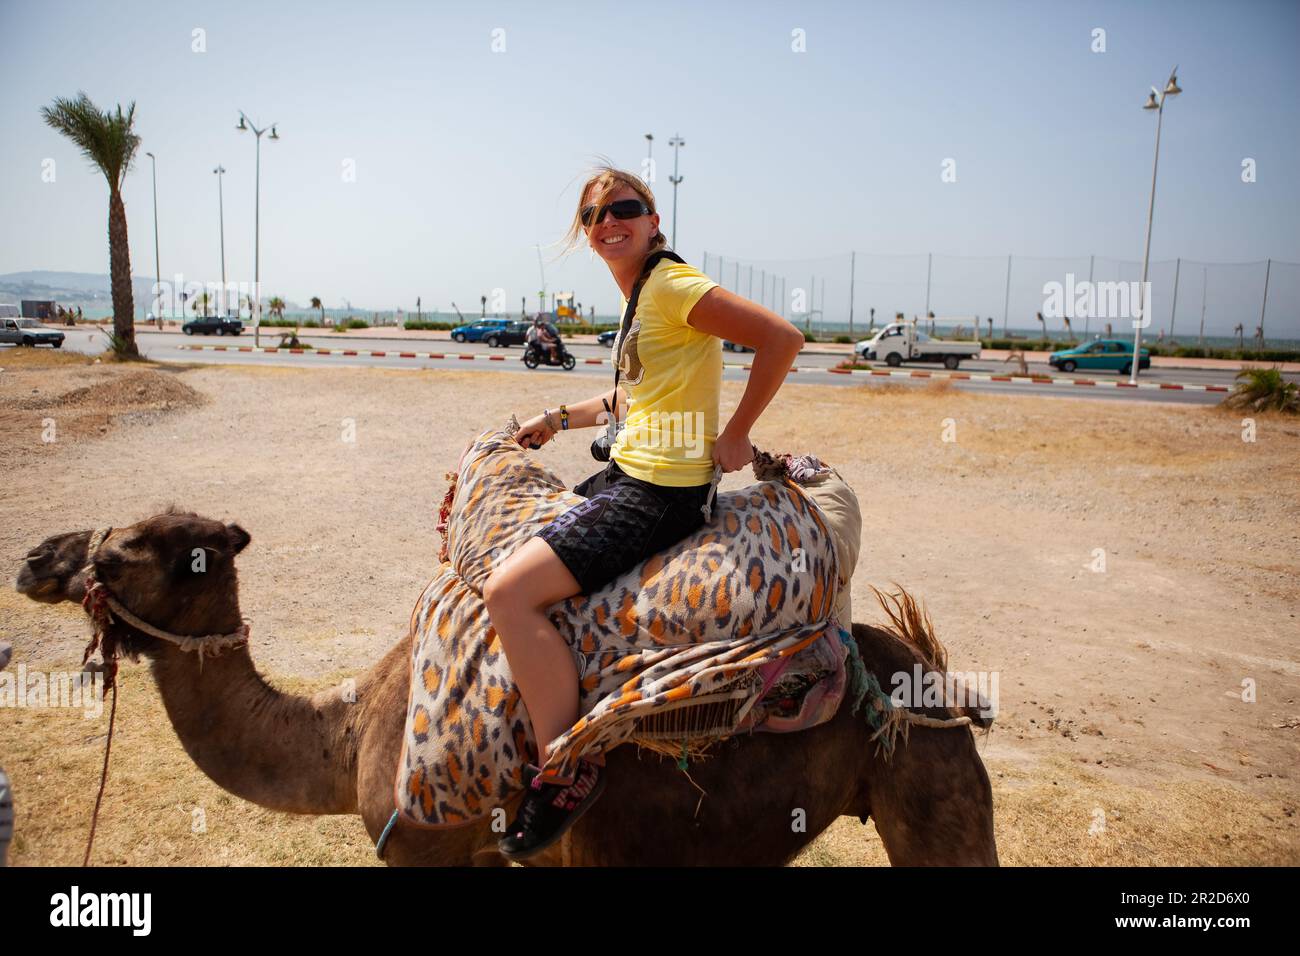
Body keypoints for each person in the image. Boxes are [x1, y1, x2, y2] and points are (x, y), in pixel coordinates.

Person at [482, 165, 805, 860]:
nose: (607, 223)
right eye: (593, 215)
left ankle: (565, 772)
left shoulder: (671, 285)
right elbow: (631, 401)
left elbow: (781, 338)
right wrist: (554, 418)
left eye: (623, 208)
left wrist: (737, 432)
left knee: (508, 593)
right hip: (630, 473)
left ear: (654, 220)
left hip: (656, 495)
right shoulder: (643, 297)